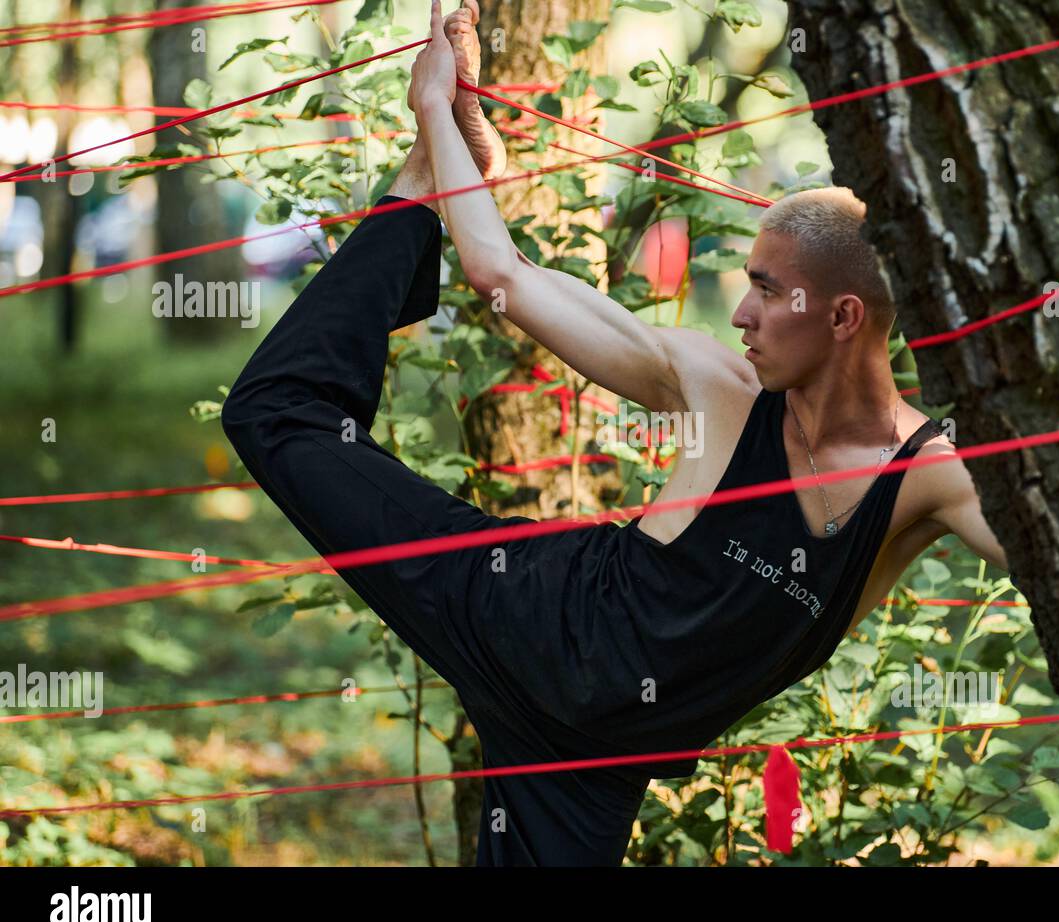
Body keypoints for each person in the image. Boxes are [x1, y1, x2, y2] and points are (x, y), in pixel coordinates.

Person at [221, 0, 1009, 866]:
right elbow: (500, 275)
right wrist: (434, 114)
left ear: (843, 316)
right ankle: (418, 180)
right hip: (515, 614)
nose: (738, 313)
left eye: (765, 290)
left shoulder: (927, 477)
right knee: (275, 415)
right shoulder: (717, 386)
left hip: (592, 765)